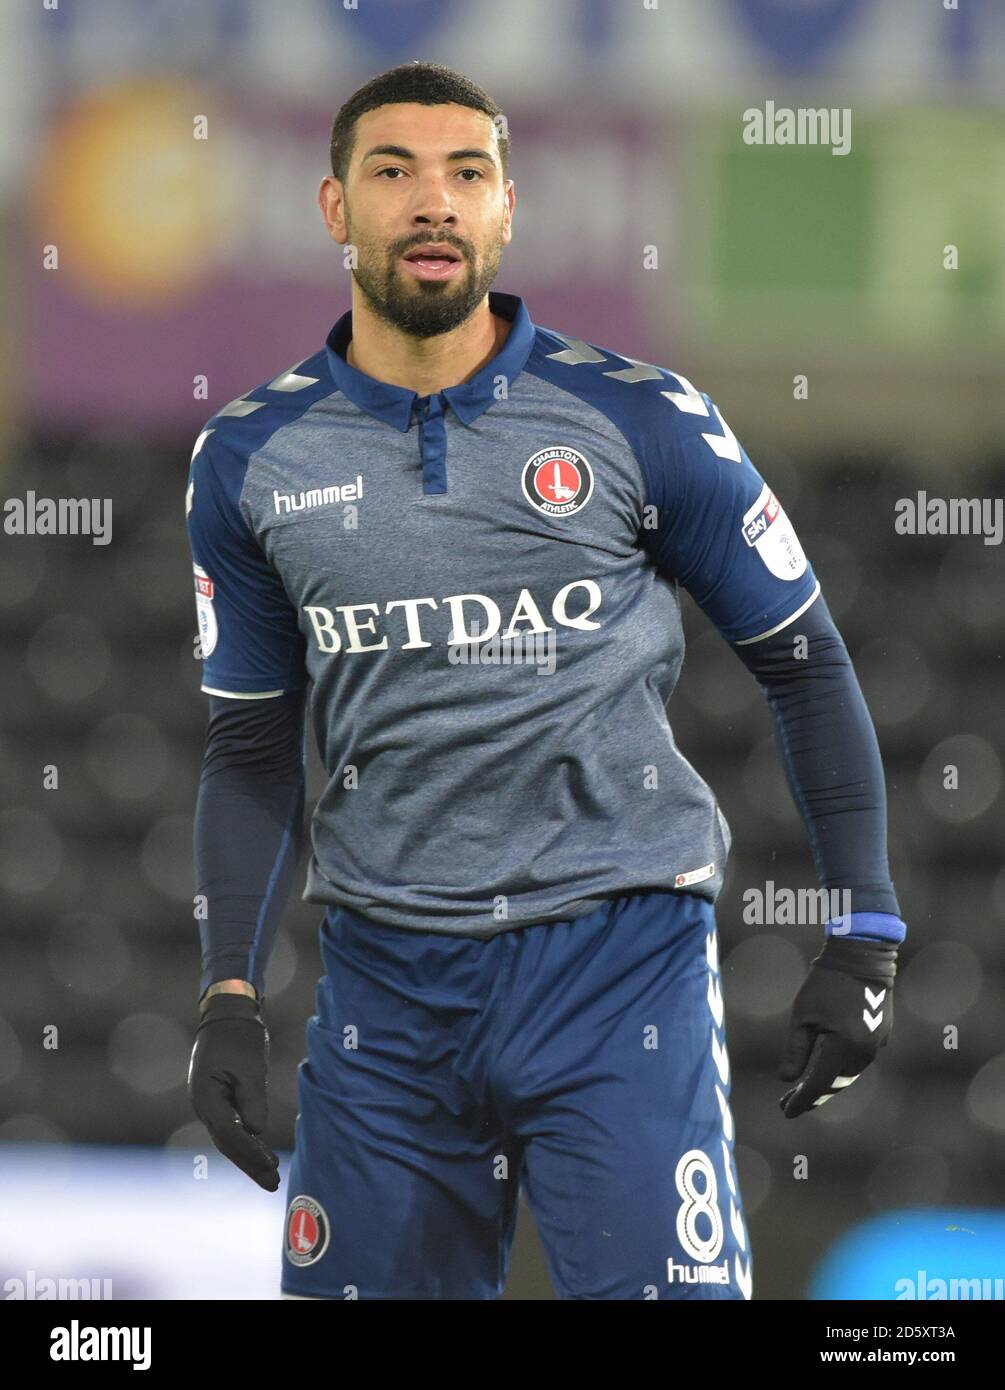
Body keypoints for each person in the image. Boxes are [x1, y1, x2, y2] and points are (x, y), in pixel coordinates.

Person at [185, 61, 905, 1301]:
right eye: (394, 171)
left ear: (508, 209)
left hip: (619, 963)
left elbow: (805, 662)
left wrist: (869, 928)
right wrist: (229, 993)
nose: (433, 203)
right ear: (332, 207)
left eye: (467, 174)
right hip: (387, 991)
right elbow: (250, 750)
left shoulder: (643, 419)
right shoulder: (249, 458)